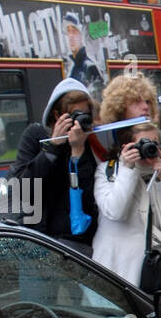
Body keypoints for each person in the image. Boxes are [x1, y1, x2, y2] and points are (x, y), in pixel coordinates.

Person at [7, 78, 98, 252]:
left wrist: (77, 153)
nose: (80, 122)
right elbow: (22, 188)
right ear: (58, 115)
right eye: (75, 115)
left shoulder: (87, 141)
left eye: (85, 114)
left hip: (79, 242)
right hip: (40, 241)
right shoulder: (36, 136)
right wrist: (52, 147)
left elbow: (89, 195)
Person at [92, 119, 161, 288]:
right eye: (141, 143)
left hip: (156, 270)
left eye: (153, 143)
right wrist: (127, 169)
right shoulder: (108, 171)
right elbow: (115, 211)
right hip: (116, 270)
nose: (148, 148)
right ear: (126, 147)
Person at [63, 13, 103, 94]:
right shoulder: (73, 68)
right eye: (68, 32)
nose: (71, 36)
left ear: (81, 36)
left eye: (74, 31)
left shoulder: (90, 67)